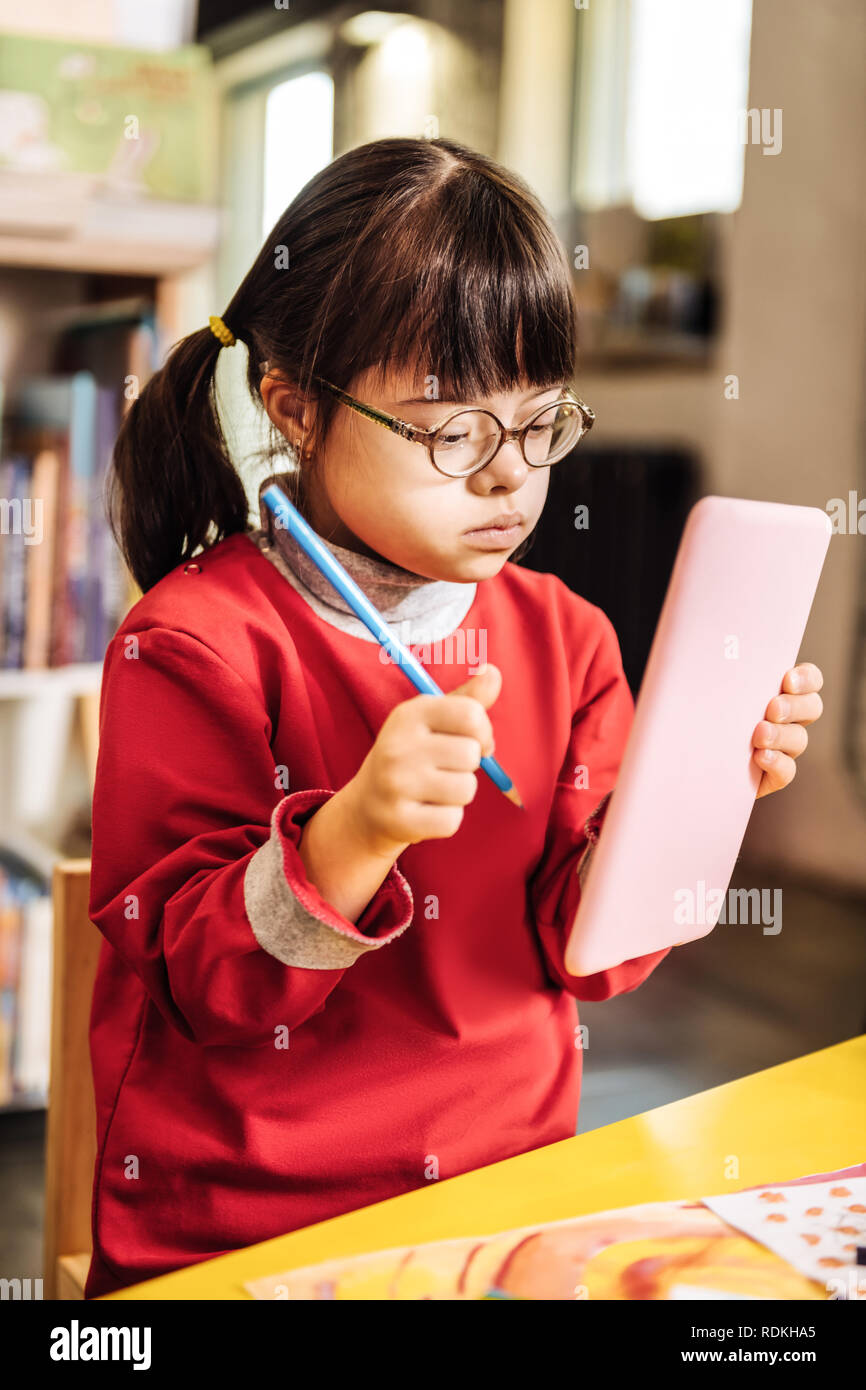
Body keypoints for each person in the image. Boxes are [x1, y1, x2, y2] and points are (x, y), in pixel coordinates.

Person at [85, 137, 824, 1297]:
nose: (506, 478)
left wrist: (692, 798)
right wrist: (355, 832)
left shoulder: (566, 635)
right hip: (247, 1228)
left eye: (537, 424)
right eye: (448, 429)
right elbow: (201, 986)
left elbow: (585, 960)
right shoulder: (192, 642)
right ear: (297, 407)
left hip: (509, 1197)